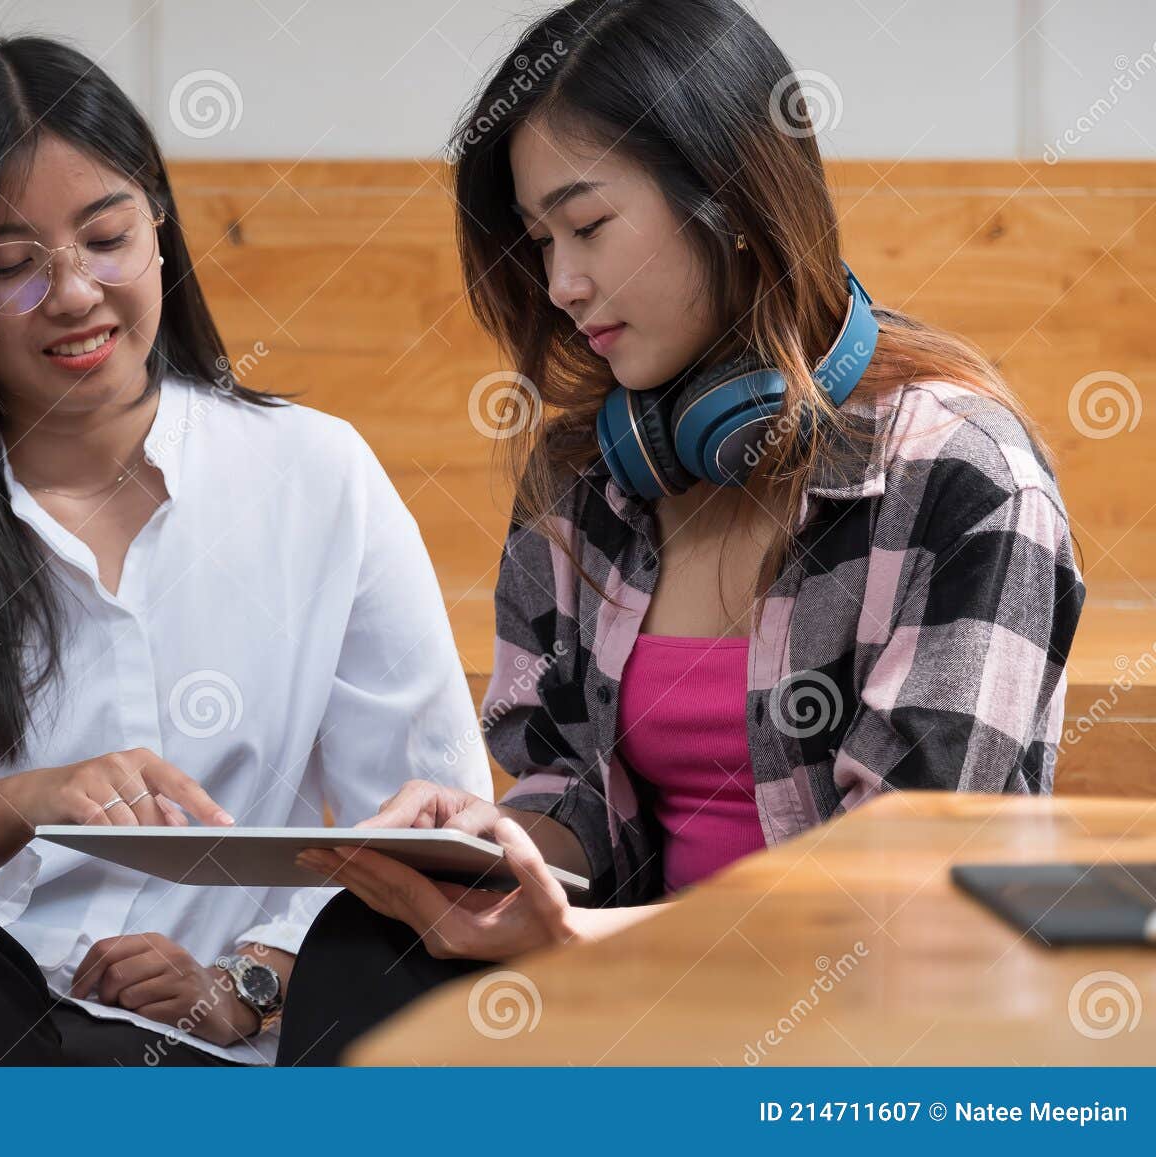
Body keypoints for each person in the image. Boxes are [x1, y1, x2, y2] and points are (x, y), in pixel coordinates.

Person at [276, 0, 1086, 1065]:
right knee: (363, 950)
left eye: (589, 225)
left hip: (873, 1036)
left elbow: (899, 898)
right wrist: (503, 847)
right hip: (634, 1004)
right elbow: (572, 788)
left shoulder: (964, 480)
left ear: (732, 197)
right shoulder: (582, 480)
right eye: (540, 242)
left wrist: (585, 941)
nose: (561, 286)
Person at [0, 34, 490, 1067]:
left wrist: (249, 980)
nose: (74, 291)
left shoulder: (315, 474)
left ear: (160, 233)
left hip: (197, 1057)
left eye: (105, 238)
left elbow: (428, 823)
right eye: (8, 265)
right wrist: (25, 801)